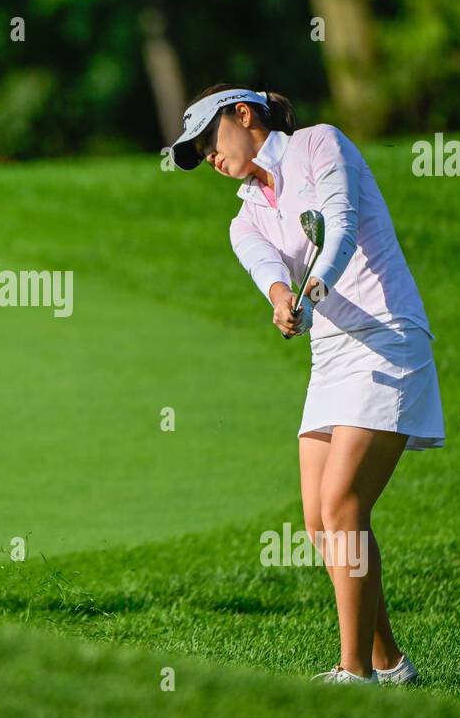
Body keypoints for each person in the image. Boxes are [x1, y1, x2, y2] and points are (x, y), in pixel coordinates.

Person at [171, 85, 444, 685]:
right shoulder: (243, 217)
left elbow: (340, 226)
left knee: (345, 507)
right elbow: (266, 267)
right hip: (332, 356)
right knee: (320, 522)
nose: (209, 159)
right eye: (198, 154)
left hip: (387, 336)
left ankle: (354, 674)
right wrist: (280, 300)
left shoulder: (321, 144)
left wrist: (311, 294)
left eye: (208, 141)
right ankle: (391, 664)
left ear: (243, 115)